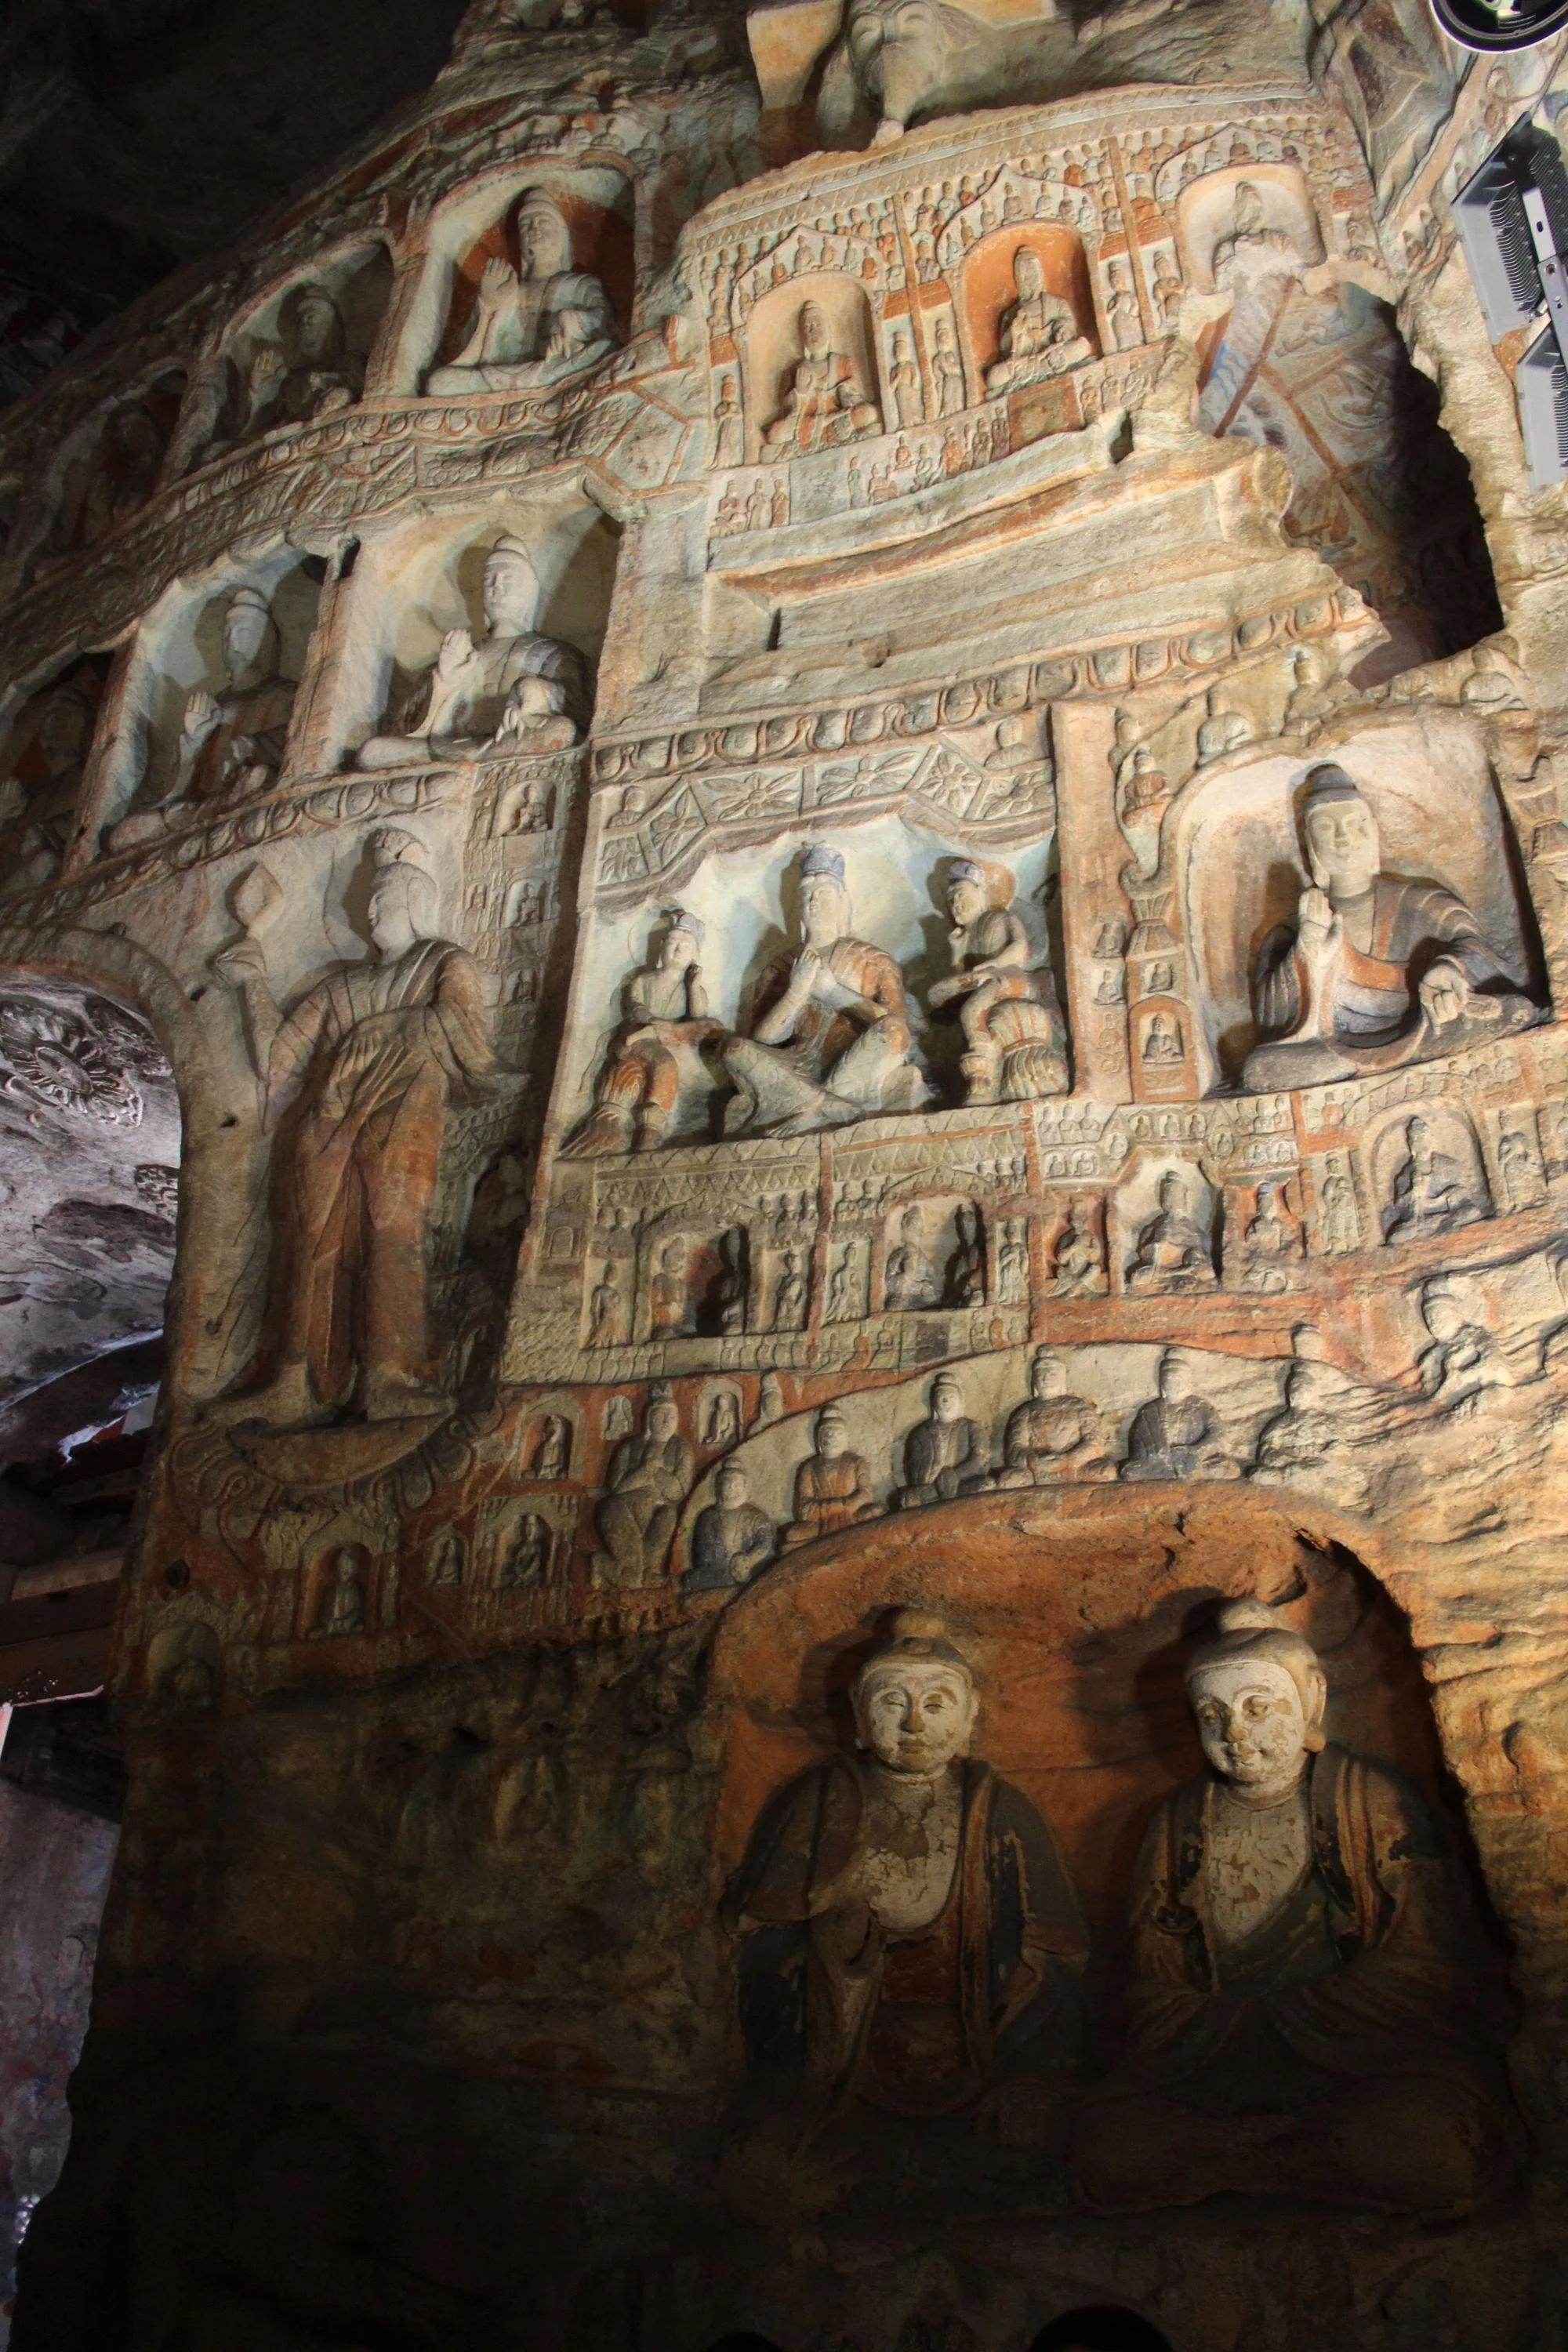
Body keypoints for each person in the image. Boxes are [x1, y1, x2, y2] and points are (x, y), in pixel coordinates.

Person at [1073, 1600, 1519, 2214]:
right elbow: (1153, 1985)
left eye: (1258, 1708)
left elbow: (1426, 1965)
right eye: (1213, 1716)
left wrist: (1291, 2020)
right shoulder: (1176, 1825)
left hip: (1356, 2060)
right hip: (1211, 2066)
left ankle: (1243, 2160)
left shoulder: (1370, 1800)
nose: (1236, 1734)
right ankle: (1294, 2158)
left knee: (1428, 2139)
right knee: (1109, 2149)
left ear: (1312, 1700)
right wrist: (1223, 2031)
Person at [726, 1608, 1087, 2129]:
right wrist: (832, 1954)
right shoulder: (822, 1801)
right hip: (842, 2056)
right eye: (893, 1702)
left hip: (976, 2054)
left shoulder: (1000, 1811)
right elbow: (762, 1946)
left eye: (936, 1704)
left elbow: (1052, 1963)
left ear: (969, 1716)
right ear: (858, 1712)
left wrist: (1027, 2078)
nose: (913, 1724)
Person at [212, 830, 500, 1426]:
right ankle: (291, 1378)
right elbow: (277, 1057)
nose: (370, 909)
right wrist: (252, 981)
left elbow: (462, 1030)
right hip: (326, 1122)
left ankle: (388, 1375)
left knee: (392, 1229)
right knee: (308, 1239)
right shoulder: (340, 987)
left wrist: (381, 1029)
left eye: (384, 896)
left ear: (417, 903)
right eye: (368, 897)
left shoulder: (444, 963)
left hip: (403, 1110)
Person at [1245, 766, 1533, 1089]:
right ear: (1311, 844)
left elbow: (1478, 948)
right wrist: (1307, 951)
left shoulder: (1422, 902)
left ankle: (1379, 1069)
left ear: (1373, 834)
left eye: (1354, 825)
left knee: (1514, 1011)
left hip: (1423, 1029)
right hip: (1338, 1049)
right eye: (1326, 828)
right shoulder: (1291, 931)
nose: (1342, 838)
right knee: (1262, 1070)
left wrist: (1451, 968)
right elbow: (1270, 1018)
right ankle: (1382, 1067)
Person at [724, 845, 930, 1136]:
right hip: (796, 1066)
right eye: (806, 893)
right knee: (735, 1049)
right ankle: (823, 1104)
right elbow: (762, 1040)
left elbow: (897, 1026)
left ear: (842, 902)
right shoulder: (781, 966)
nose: (813, 901)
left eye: (824, 893)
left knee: (893, 1030)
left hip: (854, 1066)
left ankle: (820, 1102)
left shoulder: (871, 959)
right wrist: (796, 992)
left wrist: (831, 991)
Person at [356, 534, 585, 769]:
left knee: (562, 731)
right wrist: (444, 680)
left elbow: (576, 709)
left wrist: (534, 693)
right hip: (451, 747)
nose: (497, 586)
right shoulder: (460, 654)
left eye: (508, 579)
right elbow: (405, 727)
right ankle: (475, 758)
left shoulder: (550, 652)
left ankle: (474, 758)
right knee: (372, 751)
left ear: (529, 590)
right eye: (489, 580)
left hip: (510, 741)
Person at [108, 586, 296, 849]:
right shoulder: (214, 702)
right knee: (126, 833)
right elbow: (178, 783)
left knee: (257, 783)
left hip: (244, 792)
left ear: (266, 642)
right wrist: (193, 739)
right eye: (227, 633)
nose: (232, 640)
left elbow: (293, 740)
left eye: (243, 631)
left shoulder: (284, 693)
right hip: (200, 807)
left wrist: (249, 746)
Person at [426, 187, 619, 395]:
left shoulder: (581, 283)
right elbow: (473, 353)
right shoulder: (510, 287)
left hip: (554, 368)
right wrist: (489, 305)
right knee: (439, 382)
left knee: (606, 351)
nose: (533, 229)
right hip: (500, 374)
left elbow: (604, 322)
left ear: (561, 234)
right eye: (526, 225)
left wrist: (569, 321)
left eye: (543, 222)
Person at [570, 909, 720, 1156]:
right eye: (672, 942)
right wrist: (653, 1023)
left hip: (671, 1035)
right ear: (661, 947)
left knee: (711, 1027)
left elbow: (698, 1018)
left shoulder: (693, 989)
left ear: (695, 955)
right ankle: (648, 1134)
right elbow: (636, 1008)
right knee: (663, 1064)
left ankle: (655, 1033)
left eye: (685, 946)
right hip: (639, 1036)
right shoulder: (644, 980)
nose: (678, 949)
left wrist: (693, 987)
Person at [927, 860, 1067, 1104]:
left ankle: (981, 1080)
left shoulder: (1002, 918)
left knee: (971, 1011)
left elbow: (1020, 948)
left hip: (1013, 978)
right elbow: (962, 973)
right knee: (940, 996)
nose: (956, 904)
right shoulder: (965, 936)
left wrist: (996, 963)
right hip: (985, 981)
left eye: (961, 895)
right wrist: (956, 949)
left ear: (981, 891)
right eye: (951, 900)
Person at [593, 1385, 693, 1586]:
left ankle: (648, 1569)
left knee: (668, 1515)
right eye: (661, 1415)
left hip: (657, 1514)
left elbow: (677, 1492)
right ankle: (599, 1563)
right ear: (649, 1419)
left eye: (672, 1417)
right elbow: (616, 1487)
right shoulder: (630, 1447)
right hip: (620, 1510)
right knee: (631, 1577)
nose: (666, 1422)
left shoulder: (681, 1448)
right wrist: (645, 1470)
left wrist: (657, 1471)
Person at [761, 299, 882, 458]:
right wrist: (800, 392)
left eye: (818, 325)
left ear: (827, 330)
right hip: (806, 423)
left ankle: (831, 434)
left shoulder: (843, 363)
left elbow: (854, 394)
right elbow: (785, 406)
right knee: (774, 433)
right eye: (807, 328)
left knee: (869, 413)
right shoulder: (796, 369)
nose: (813, 331)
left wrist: (841, 389)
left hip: (838, 418)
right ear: (801, 336)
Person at [249, 281, 364, 434]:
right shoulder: (293, 377)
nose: (304, 326)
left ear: (332, 328)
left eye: (312, 319)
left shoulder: (350, 360)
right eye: (301, 322)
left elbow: (353, 385)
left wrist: (324, 381)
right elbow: (262, 428)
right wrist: (260, 394)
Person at [989, 1349, 1114, 1486]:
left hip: (1077, 1467)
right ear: (1033, 1381)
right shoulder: (1025, 1411)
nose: (1046, 1379)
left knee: (1106, 1471)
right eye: (1040, 1375)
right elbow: (1015, 1449)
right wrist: (1035, 1461)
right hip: (1036, 1471)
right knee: (1008, 1479)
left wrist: (1068, 1459)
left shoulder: (1078, 1406)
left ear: (1062, 1378)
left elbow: (1094, 1441)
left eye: (1052, 1374)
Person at [985, 249, 1091, 394]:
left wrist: (1062, 330)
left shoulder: (1057, 304)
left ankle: (1047, 366)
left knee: (1083, 345)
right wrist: (1014, 331)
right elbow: (1005, 348)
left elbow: (1069, 326)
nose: (1030, 279)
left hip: (1054, 353)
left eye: (1033, 273)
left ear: (1040, 274)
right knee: (993, 378)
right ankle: (1044, 368)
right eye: (1025, 275)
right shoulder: (1011, 313)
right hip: (1025, 362)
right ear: (1018, 279)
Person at [1120, 1351, 1239, 1479]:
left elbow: (1218, 1434)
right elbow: (1138, 1443)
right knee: (1129, 1472)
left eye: (1180, 1379)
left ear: (1189, 1382)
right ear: (1161, 1382)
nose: (1175, 1384)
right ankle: (1178, 1473)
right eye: (1170, 1379)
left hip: (1194, 1458)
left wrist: (1195, 1450)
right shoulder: (1150, 1410)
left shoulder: (1200, 1405)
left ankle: (1184, 1472)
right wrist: (1161, 1454)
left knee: (1227, 1468)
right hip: (1161, 1462)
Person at [780, 1406, 877, 1548]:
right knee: (792, 1534)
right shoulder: (809, 1467)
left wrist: (843, 1506)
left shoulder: (856, 1462)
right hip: (821, 1523)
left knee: (876, 1511)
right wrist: (834, 1508)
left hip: (852, 1515)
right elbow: (803, 1508)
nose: (832, 1438)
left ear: (846, 1437)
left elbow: (866, 1494)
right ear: (819, 1439)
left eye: (838, 1434)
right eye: (828, 1434)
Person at [1383, 1116, 1484, 1242]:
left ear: (1431, 1140)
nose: (1421, 1142)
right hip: (1423, 1222)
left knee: (1472, 1212)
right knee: (1396, 1237)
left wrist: (1444, 1197)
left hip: (1450, 1214)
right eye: (1416, 1139)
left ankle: (1446, 1224)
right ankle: (1441, 1228)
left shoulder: (1449, 1165)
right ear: (1410, 1144)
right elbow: (1400, 1206)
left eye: (1423, 1137)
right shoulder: (1405, 1176)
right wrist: (1414, 1192)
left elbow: (1463, 1197)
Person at [683, 1462, 775, 1593]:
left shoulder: (755, 1516)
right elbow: (699, 1552)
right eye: (727, 1484)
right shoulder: (707, 1516)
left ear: (745, 1487)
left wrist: (749, 1559)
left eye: (736, 1484)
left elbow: (765, 1543)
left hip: (746, 1569)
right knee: (690, 1579)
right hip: (716, 1572)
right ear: (718, 1486)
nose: (732, 1488)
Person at [898, 1374, 982, 1508]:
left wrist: (954, 1475)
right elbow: (913, 1466)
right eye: (941, 1396)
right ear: (932, 1402)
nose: (945, 1401)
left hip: (963, 1483)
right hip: (930, 1489)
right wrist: (935, 1482)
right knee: (908, 1498)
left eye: (951, 1397)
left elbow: (979, 1458)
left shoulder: (970, 1427)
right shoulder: (921, 1432)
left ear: (960, 1401)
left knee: (985, 1485)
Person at [1124, 1172, 1214, 1294]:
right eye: (1169, 1196)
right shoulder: (1154, 1226)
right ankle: (1173, 1279)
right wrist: (1158, 1249)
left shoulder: (1192, 1227)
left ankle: (1176, 1280)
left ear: (1184, 1198)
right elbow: (1144, 1250)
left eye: (1177, 1196)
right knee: (1138, 1277)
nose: (1172, 1201)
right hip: (1160, 1269)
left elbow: (1204, 1251)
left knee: (1207, 1272)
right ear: (1164, 1200)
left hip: (1188, 1268)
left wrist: (1193, 1258)